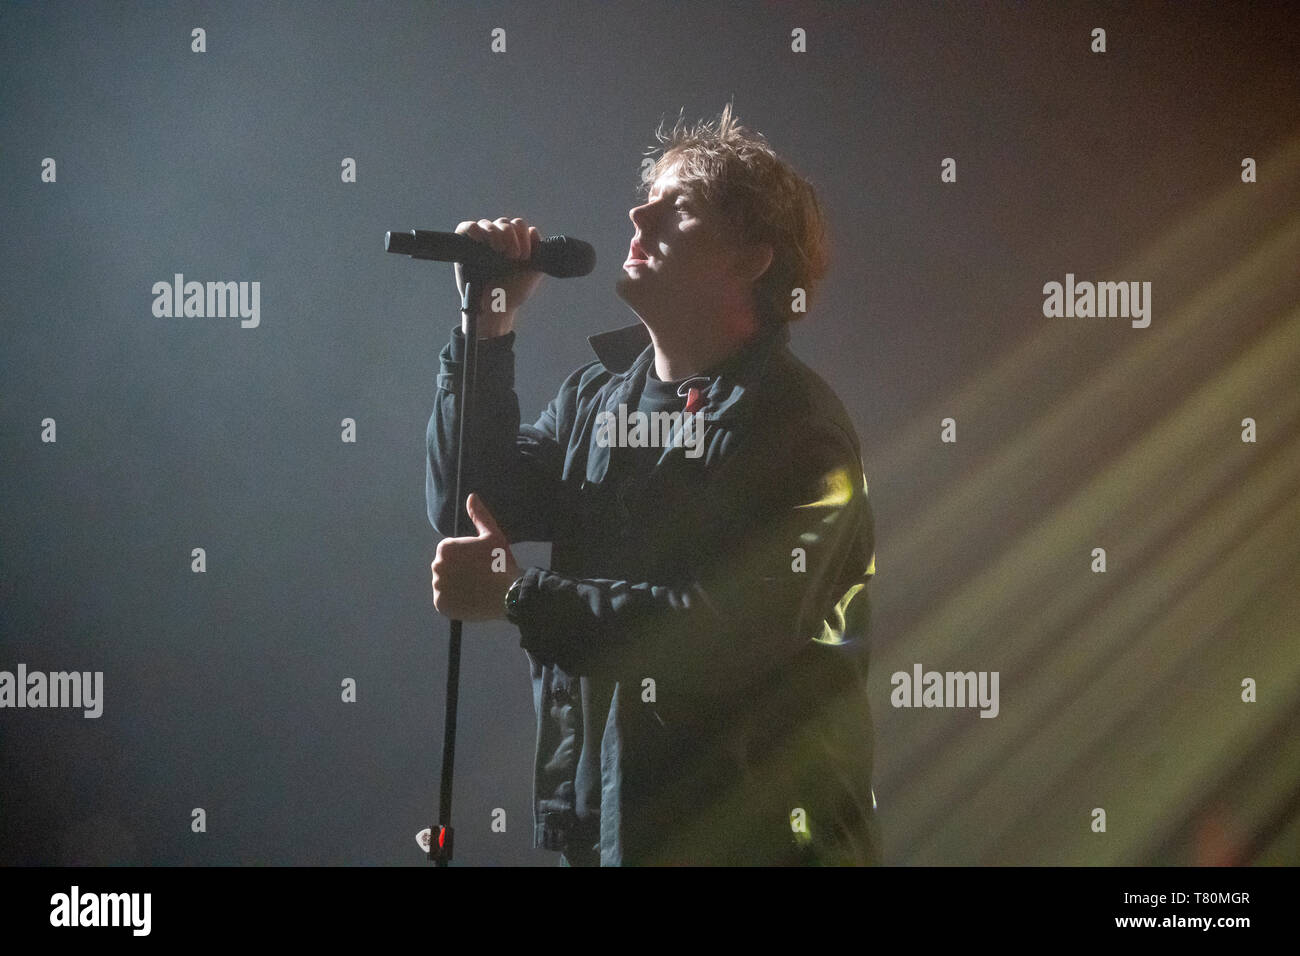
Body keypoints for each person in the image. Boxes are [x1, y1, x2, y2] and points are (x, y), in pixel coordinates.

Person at [426, 103, 880, 866]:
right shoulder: (595, 401)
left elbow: (727, 633)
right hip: (607, 836)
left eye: (681, 205)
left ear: (750, 260)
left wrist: (517, 597)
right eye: (647, 196)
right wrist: (488, 322)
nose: (639, 211)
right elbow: (470, 502)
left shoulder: (799, 431)